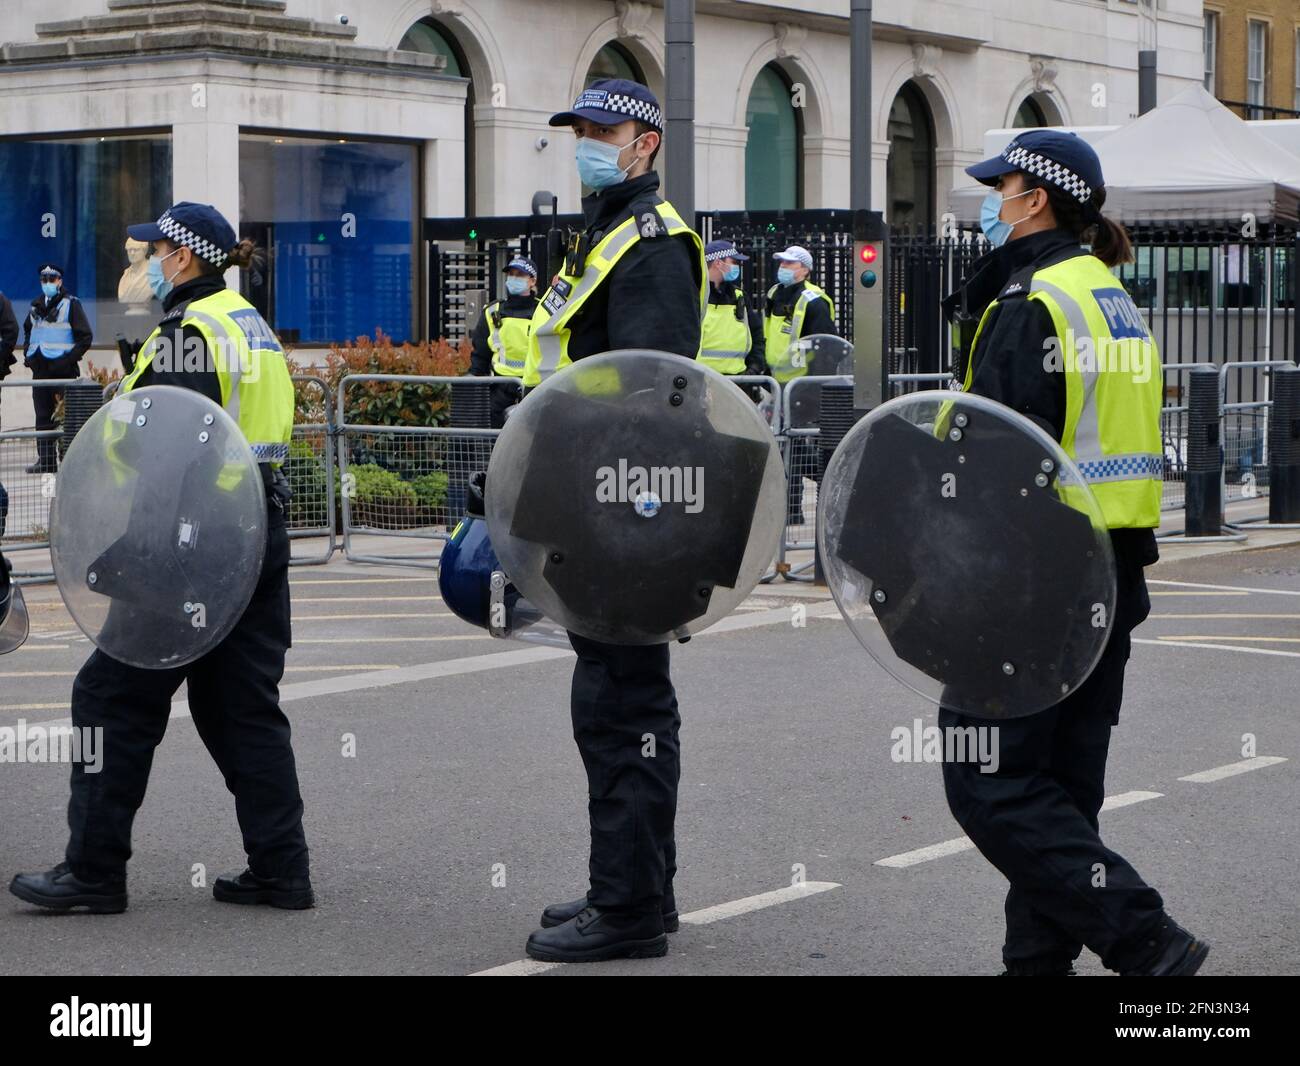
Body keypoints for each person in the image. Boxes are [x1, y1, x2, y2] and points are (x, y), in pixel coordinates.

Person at [938, 130, 1207, 976]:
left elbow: (996, 464)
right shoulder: (1108, 295)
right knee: (1060, 786)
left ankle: (1143, 937)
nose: (990, 199)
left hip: (1035, 575)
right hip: (1111, 571)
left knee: (984, 775)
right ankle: (1037, 963)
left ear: (1037, 198)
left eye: (1002, 185)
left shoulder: (1032, 303)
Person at [9, 202, 313, 914]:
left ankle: (92, 872)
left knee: (109, 700)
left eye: (150, 251)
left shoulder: (190, 333)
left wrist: (137, 550)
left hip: (191, 537)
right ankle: (281, 869)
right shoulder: (248, 323)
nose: (140, 262)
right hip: (255, 527)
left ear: (182, 258)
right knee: (243, 706)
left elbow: (174, 452)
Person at [519, 78, 706, 962]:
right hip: (584, 494)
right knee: (615, 701)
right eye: (580, 129)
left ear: (646, 144)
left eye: (603, 130)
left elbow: (649, 395)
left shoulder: (653, 246)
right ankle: (634, 890)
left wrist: (611, 502)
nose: (588, 142)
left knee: (621, 704)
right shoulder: (600, 239)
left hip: (623, 507)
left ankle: (628, 907)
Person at [764, 245, 837, 526]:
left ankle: (796, 506)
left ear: (805, 269)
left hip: (802, 385)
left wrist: (813, 386)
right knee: (786, 445)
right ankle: (793, 506)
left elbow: (826, 346)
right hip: (776, 382)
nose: (783, 267)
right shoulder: (773, 294)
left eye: (790, 264)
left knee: (792, 445)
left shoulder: (814, 301)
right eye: (782, 262)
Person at [21, 263, 92, 473]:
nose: (48, 283)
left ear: (59, 281)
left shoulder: (71, 305)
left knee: (64, 418)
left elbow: (85, 337)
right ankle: (46, 460)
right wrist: (28, 354)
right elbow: (27, 330)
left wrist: (68, 360)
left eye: (52, 279)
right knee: (42, 416)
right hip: (41, 369)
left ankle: (67, 460)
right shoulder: (35, 306)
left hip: (63, 371)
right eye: (44, 279)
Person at [469, 255, 539, 427]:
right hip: (500, 388)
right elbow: (480, 353)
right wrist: (474, 383)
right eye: (511, 274)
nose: (514, 278)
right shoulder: (493, 311)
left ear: (532, 281)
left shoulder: (543, 310)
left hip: (534, 387)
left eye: (520, 275)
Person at [700, 239, 766, 380]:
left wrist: (754, 367)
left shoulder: (739, 296)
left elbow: (756, 334)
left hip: (738, 381)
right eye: (734, 262)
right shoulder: (696, 295)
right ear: (718, 263)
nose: (737, 266)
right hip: (700, 380)